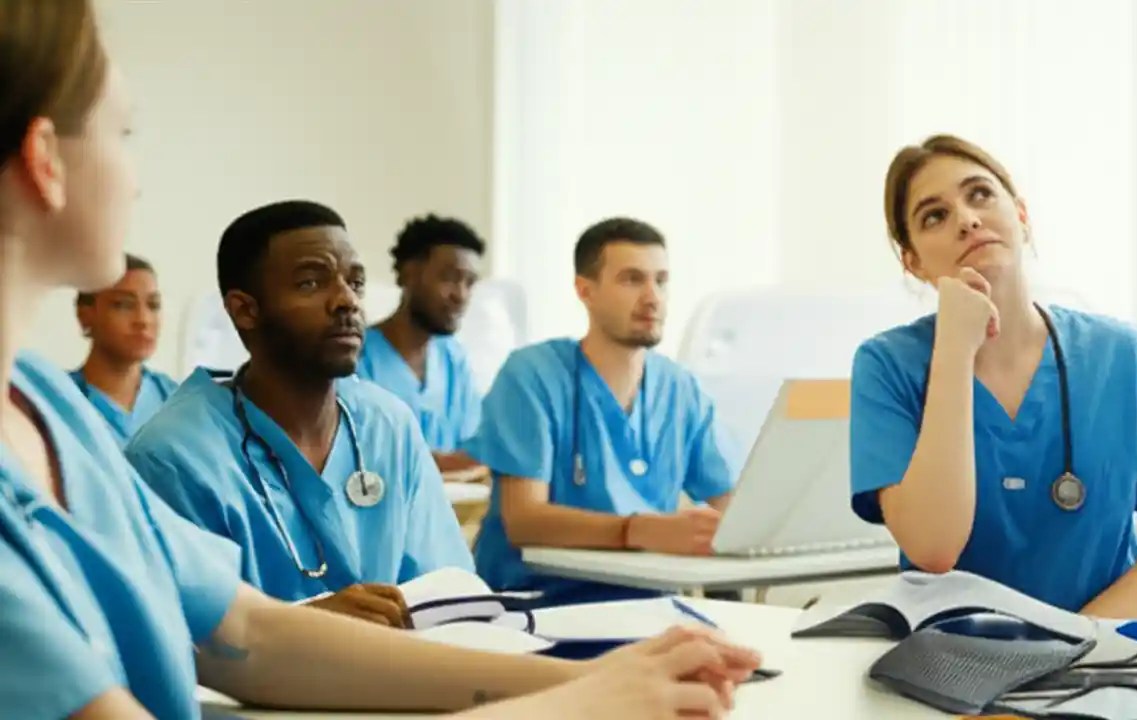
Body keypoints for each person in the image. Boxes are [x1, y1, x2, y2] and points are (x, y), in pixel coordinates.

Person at [0, 2, 758, 717]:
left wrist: (591, 677)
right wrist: (569, 705)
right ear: (45, 160)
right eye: (124, 133)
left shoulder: (48, 409)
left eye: (353, 282)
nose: (136, 178)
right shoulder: (163, 447)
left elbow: (250, 633)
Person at [849, 134, 1137, 619]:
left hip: (1108, 652)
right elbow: (933, 548)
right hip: (960, 657)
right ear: (912, 261)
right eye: (934, 216)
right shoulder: (887, 366)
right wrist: (955, 349)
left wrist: (1078, 642)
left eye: (980, 194)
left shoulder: (1125, 356)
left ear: (1021, 215)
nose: (967, 219)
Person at [124, 200, 475, 620]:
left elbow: (451, 594)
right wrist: (309, 625)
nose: (347, 301)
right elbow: (174, 632)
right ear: (245, 310)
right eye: (311, 283)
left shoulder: (388, 426)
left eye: (355, 283)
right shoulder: (176, 457)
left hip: (410, 658)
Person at [463, 217, 741, 608]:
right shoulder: (533, 376)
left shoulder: (680, 390)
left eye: (661, 281)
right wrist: (639, 530)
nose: (653, 298)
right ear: (585, 290)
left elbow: (732, 508)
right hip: (535, 604)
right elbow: (524, 520)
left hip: (647, 604)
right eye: (632, 280)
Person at [357, 214, 486, 477]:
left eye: (470, 283)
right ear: (408, 274)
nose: (461, 295)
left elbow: (475, 451)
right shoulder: (358, 360)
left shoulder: (454, 360)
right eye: (449, 277)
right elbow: (362, 457)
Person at [69, 253, 178, 446]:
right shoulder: (57, 399)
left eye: (153, 305)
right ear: (85, 315)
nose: (143, 320)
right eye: (124, 305)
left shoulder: (179, 403)